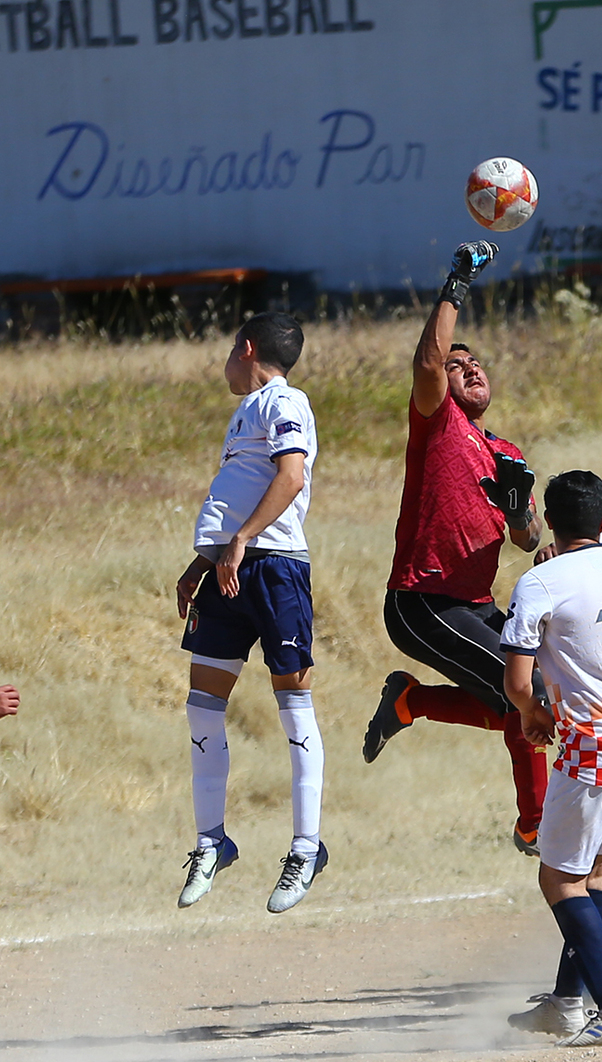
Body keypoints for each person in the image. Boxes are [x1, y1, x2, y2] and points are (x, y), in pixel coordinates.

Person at [361, 242, 550, 853]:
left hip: (473, 603)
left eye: (477, 364)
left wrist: (519, 513)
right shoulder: (439, 420)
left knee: (525, 695)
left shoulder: (507, 452)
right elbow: (428, 360)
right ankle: (536, 825)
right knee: (525, 695)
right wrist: (456, 284)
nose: (469, 370)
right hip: (422, 601)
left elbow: (529, 538)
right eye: (458, 365)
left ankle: (410, 701)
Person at [498, 471, 602, 1047]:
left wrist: (532, 714)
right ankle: (567, 1004)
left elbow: (517, 681)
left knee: (558, 878)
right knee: (593, 870)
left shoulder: (541, 581)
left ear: (548, 519)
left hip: (596, 745)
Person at [173, 312, 328, 913]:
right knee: (202, 707)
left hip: (274, 568)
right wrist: (203, 561)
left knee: (293, 706)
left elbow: (291, 476)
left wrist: (242, 539)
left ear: (247, 347)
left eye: (228, 350)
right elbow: (239, 492)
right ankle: (212, 841)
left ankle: (306, 847)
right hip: (226, 569)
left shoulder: (285, 400)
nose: (224, 364)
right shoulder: (245, 413)